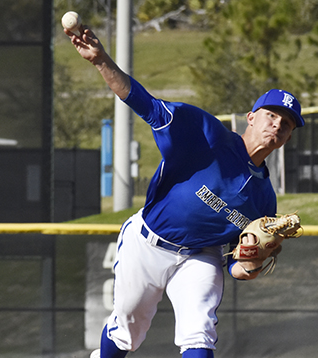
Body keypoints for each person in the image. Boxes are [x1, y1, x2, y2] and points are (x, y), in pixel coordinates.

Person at [65, 24, 305, 358]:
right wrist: (101, 60)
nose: (277, 124)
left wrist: (251, 262)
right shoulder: (206, 134)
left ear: (288, 138)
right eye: (271, 115)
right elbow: (144, 104)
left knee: (199, 332)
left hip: (199, 256)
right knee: (126, 334)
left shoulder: (264, 198)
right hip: (147, 242)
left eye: (287, 123)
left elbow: (237, 267)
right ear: (250, 117)